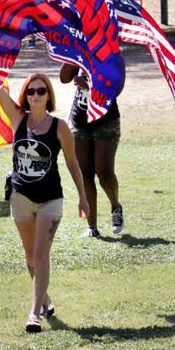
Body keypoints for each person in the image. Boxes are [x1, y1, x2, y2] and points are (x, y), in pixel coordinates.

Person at [0, 74, 89, 334]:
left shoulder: (59, 127)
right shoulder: (18, 118)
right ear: (25, 95)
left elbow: (72, 163)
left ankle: (33, 315)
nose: (35, 95)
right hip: (21, 196)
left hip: (50, 198)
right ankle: (45, 301)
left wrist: (82, 197)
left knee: (40, 255)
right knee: (29, 257)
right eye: (30, 91)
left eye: (41, 91)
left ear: (49, 95)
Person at [59, 61, 125, 238]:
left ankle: (115, 206)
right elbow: (64, 78)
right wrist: (74, 55)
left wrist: (89, 85)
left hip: (106, 119)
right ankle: (92, 227)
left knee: (104, 172)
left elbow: (116, 89)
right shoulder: (79, 53)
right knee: (84, 173)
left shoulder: (113, 56)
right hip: (80, 121)